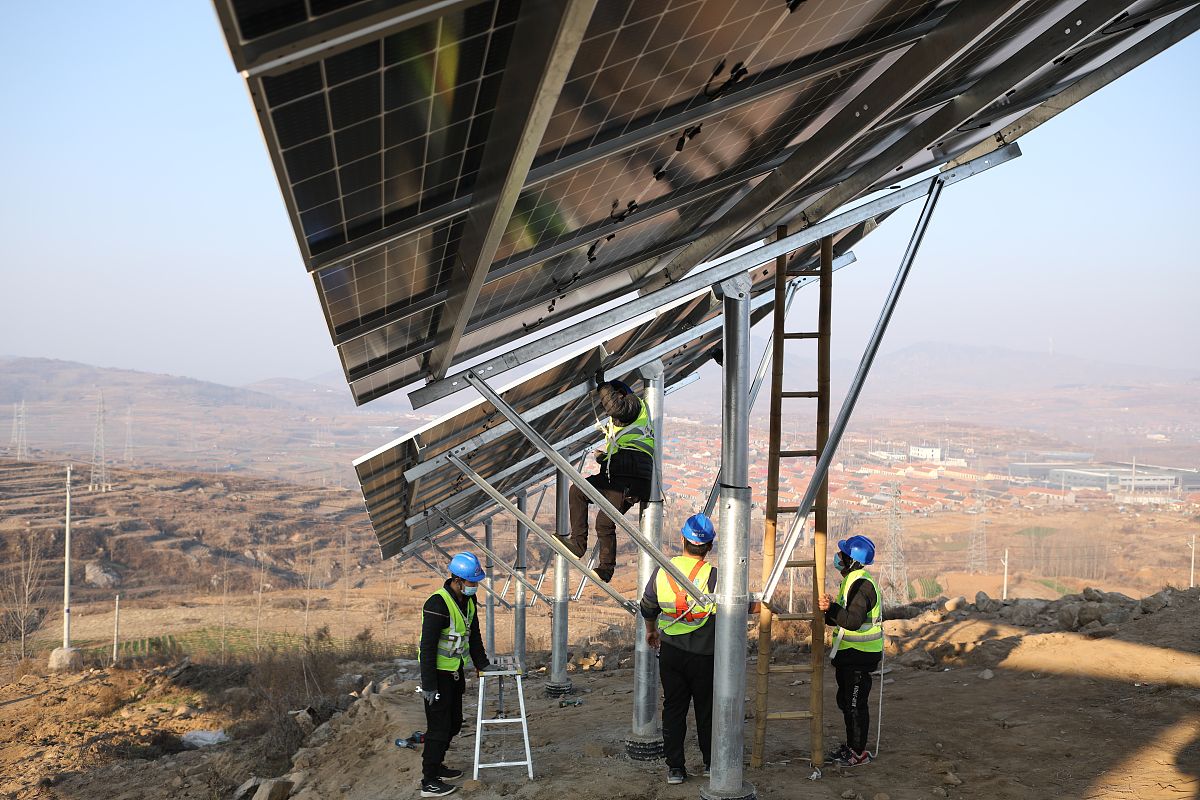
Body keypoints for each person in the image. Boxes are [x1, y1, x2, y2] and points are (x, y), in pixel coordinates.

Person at [640, 513, 718, 784]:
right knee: (707, 710)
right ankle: (711, 764)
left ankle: (675, 768)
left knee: (674, 709)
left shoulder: (664, 571)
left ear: (682, 539)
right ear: (709, 546)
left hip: (671, 652)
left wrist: (651, 630)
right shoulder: (713, 576)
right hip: (705, 655)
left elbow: (648, 605)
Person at [563, 374, 655, 582]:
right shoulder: (620, 423)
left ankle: (606, 568)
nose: (608, 409)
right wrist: (604, 458)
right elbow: (627, 448)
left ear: (622, 394)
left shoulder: (634, 404)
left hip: (631, 480)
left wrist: (603, 385)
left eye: (613, 396)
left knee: (604, 522)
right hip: (618, 475)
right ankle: (577, 545)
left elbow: (617, 408)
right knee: (577, 491)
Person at [417, 552, 494, 797]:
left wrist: (483, 664)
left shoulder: (468, 602)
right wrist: (429, 685)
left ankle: (438, 764)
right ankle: (429, 781)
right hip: (437, 677)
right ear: (458, 580)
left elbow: (474, 637)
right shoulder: (437, 604)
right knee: (438, 728)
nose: (475, 586)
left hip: (454, 673)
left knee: (454, 723)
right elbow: (427, 647)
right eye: (472, 582)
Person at [818, 534, 883, 768]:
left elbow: (853, 621)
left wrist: (832, 608)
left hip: (859, 655)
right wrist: (831, 611)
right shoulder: (852, 580)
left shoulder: (861, 584)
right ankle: (852, 746)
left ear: (852, 559)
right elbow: (841, 619)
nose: (838, 557)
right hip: (850, 653)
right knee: (847, 702)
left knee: (855, 705)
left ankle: (858, 753)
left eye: (842, 553)